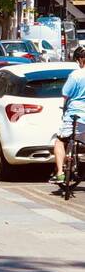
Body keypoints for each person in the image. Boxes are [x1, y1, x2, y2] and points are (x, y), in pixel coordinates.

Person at [52, 45, 85, 183]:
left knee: (60, 141)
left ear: (80, 60)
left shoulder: (76, 75)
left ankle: (60, 173)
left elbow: (65, 94)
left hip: (74, 116)